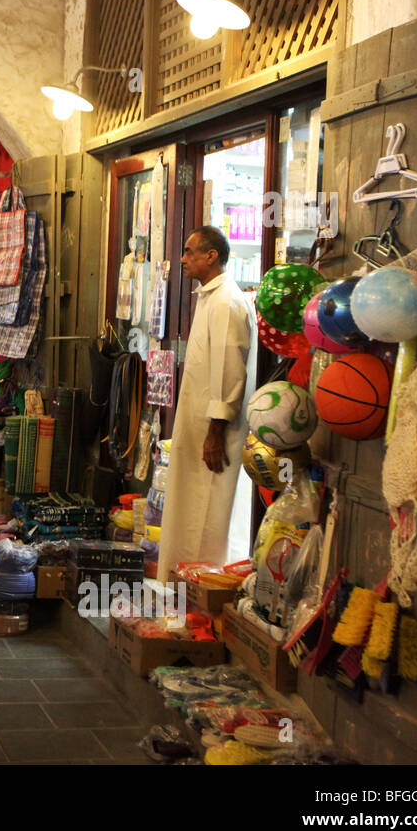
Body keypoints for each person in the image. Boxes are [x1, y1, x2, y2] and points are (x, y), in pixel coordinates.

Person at [157, 226, 254, 577]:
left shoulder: (226, 301)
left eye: (189, 251)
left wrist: (216, 430)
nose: (183, 259)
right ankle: (185, 584)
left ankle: (204, 586)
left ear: (211, 256)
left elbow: (230, 372)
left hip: (215, 433)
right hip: (199, 425)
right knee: (191, 507)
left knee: (209, 512)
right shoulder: (210, 297)